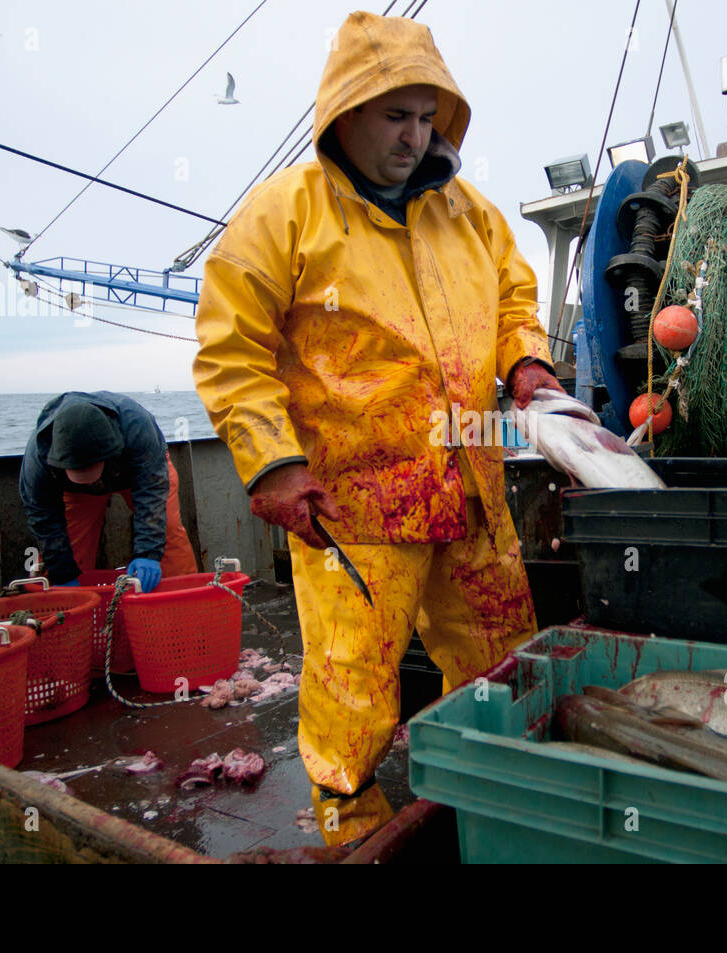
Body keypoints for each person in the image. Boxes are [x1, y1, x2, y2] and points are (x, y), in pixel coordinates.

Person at [192, 10, 564, 846]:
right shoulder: (282, 213)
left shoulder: (469, 213)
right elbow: (230, 349)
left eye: (428, 116)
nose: (414, 134)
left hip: (474, 492)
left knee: (506, 662)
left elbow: (513, 297)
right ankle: (352, 827)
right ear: (346, 111)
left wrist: (528, 363)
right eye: (396, 115)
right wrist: (273, 466)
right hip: (355, 508)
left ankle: (515, 802)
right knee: (353, 682)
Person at [19, 391, 198, 593]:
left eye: (90, 471)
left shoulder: (137, 426)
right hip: (72, 491)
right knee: (66, 552)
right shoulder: (38, 459)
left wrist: (148, 553)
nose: (90, 481)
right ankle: (67, 609)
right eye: (79, 472)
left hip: (139, 473)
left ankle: (183, 597)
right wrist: (62, 574)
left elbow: (152, 489)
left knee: (167, 533)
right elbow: (43, 515)